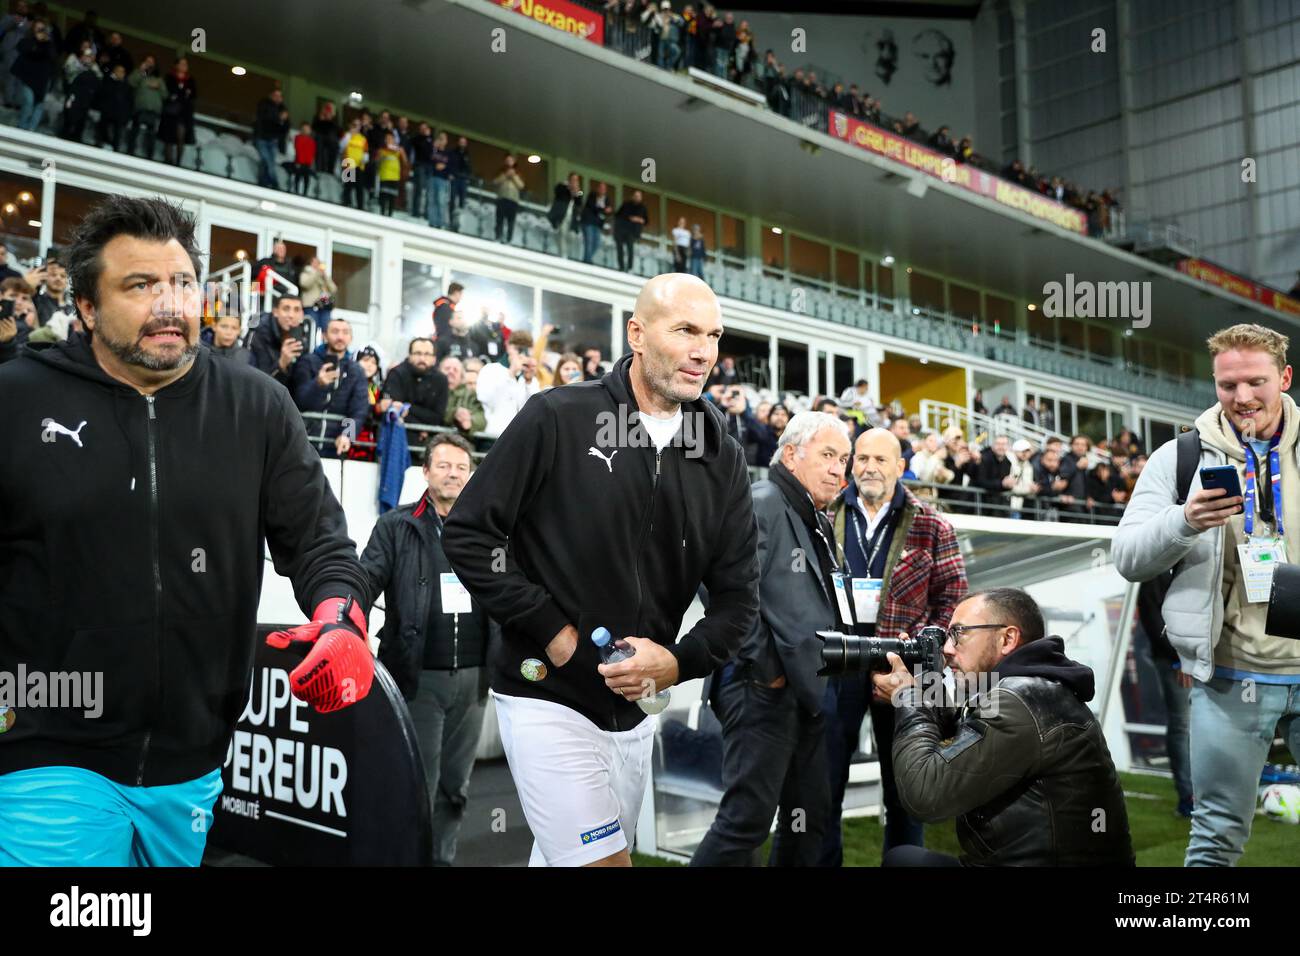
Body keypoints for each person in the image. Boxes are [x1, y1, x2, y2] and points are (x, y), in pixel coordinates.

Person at [0, 195, 374, 866]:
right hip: (45, 748)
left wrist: (342, 616)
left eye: (180, 283)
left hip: (194, 760)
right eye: (140, 286)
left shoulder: (257, 405)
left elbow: (318, 538)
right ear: (86, 307)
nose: (168, 304)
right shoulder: (16, 399)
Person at [443, 272, 759, 867]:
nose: (703, 352)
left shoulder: (723, 457)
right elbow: (468, 532)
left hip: (638, 706)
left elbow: (740, 600)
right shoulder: (557, 417)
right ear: (637, 334)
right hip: (547, 694)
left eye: (713, 335)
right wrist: (552, 630)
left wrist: (677, 662)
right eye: (686, 330)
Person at [1114, 323, 1300, 866]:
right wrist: (1184, 521)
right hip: (1228, 676)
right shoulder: (1180, 459)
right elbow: (1127, 557)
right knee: (1215, 836)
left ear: (1284, 377)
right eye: (1227, 385)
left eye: (1255, 382)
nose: (1242, 397)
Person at [692, 412, 851, 866]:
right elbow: (718, 583)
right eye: (827, 455)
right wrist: (765, 667)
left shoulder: (813, 516)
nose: (838, 468)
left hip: (807, 691)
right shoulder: (762, 499)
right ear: (790, 454)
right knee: (745, 822)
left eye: (844, 458)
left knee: (808, 819)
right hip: (761, 688)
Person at [880, 589, 1134, 867]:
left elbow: (926, 795)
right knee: (905, 859)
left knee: (903, 861)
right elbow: (966, 741)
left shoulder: (1017, 701)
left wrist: (907, 697)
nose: (947, 649)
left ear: (1007, 638)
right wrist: (923, 682)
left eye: (958, 634)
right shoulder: (1033, 689)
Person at [821, 428, 967, 866]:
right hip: (837, 666)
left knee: (906, 788)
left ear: (900, 467)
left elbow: (952, 600)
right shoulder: (824, 517)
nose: (869, 467)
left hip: (902, 672)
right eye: (861, 458)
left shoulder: (932, 523)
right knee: (824, 783)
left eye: (880, 460)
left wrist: (925, 648)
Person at [360, 433, 494, 865]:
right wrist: (348, 617)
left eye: (461, 467)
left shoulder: (490, 532)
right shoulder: (396, 526)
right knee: (417, 784)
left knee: (455, 787)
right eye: (444, 466)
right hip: (418, 680)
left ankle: (441, 860)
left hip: (474, 682)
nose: (453, 474)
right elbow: (365, 580)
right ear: (425, 472)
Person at [1137, 572, 1193, 818]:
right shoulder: (1154, 572)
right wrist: (1180, 658)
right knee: (1182, 725)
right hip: (1175, 662)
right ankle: (1188, 797)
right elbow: (1153, 621)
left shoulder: (1196, 561)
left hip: (1207, 658)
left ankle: (1215, 792)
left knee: (1208, 724)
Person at [292, 317, 369, 459]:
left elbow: (358, 410)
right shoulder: (308, 361)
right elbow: (298, 400)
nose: (340, 336)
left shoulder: (356, 370)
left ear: (351, 338)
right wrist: (317, 384)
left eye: (345, 332)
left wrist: (347, 435)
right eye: (335, 331)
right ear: (325, 336)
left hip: (335, 447)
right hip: (302, 442)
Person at [475, 329, 540, 438]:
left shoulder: (529, 379)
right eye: (517, 349)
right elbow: (486, 399)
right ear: (508, 347)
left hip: (519, 438)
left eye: (525, 350)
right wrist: (511, 373)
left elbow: (534, 409)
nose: (521, 354)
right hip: (494, 436)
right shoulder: (491, 370)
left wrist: (529, 381)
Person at [382, 336, 450, 433]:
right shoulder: (396, 374)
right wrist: (421, 429)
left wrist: (408, 408)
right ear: (409, 356)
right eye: (418, 353)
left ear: (434, 358)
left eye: (427, 354)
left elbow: (437, 417)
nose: (422, 358)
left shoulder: (441, 379)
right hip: (398, 431)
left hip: (430, 434)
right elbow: (394, 410)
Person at [247, 292, 307, 386]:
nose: (291, 315)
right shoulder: (259, 334)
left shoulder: (304, 336)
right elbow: (257, 382)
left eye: (296, 310)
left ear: (302, 314)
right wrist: (281, 364)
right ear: (275, 312)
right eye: (286, 309)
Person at [11, 17, 57, 131]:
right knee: (28, 101)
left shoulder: (49, 43)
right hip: (28, 77)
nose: (40, 31)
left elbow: (53, 57)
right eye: (38, 29)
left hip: (43, 78)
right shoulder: (28, 39)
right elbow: (21, 48)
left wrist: (47, 42)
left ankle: (31, 130)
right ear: (33, 29)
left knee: (39, 105)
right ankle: (21, 128)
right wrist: (35, 40)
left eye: (42, 29)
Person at [158, 57, 196, 167]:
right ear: (176, 65)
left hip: (184, 113)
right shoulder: (169, 77)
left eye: (186, 64)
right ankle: (168, 160)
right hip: (171, 112)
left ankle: (178, 162)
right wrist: (183, 92)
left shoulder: (190, 79)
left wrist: (181, 93)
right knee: (168, 136)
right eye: (182, 64)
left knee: (181, 136)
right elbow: (168, 92)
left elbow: (193, 94)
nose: (184, 66)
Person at [126, 55, 163, 159]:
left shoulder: (158, 79)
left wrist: (158, 87)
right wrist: (140, 71)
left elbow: (165, 94)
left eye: (151, 62)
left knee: (151, 134)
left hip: (153, 110)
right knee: (135, 130)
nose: (149, 64)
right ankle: (130, 151)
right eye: (147, 61)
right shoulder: (140, 74)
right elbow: (131, 82)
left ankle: (149, 155)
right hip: (140, 107)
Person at [253, 88, 289, 190]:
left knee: (268, 162)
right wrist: (279, 118)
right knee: (267, 160)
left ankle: (262, 182)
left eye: (280, 96)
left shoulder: (283, 109)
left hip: (273, 140)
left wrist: (283, 121)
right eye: (276, 95)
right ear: (271, 96)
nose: (278, 98)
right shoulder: (264, 104)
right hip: (262, 138)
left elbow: (285, 127)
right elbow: (266, 119)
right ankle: (274, 183)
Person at [440, 355, 485, 437]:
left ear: (461, 376)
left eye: (455, 370)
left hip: (462, 440)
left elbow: (481, 417)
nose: (451, 371)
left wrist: (470, 420)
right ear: (439, 371)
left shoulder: (470, 395)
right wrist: (454, 414)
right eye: (447, 368)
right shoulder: (433, 390)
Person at [298, 256, 337, 335]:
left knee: (326, 329)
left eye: (318, 262)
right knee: (312, 328)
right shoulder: (306, 273)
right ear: (310, 263)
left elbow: (333, 289)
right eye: (315, 262)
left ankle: (324, 345)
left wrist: (325, 277)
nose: (317, 264)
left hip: (324, 306)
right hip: (310, 306)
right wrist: (316, 274)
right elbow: (305, 284)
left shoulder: (323, 276)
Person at [548, 173, 583, 259]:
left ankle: (566, 254)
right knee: (562, 233)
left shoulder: (579, 191)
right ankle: (563, 255)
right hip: (562, 215)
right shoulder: (562, 186)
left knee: (572, 236)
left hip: (571, 217)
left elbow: (579, 203)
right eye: (573, 179)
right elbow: (557, 192)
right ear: (569, 179)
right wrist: (569, 188)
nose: (575, 181)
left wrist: (576, 192)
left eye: (576, 180)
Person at [613, 189, 649, 273]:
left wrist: (639, 220)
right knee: (620, 248)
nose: (637, 198)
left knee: (630, 249)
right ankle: (621, 266)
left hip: (632, 232)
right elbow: (618, 215)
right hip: (621, 229)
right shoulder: (626, 204)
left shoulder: (643, 208)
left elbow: (646, 221)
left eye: (639, 196)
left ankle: (630, 267)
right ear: (633, 196)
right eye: (636, 196)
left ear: (641, 198)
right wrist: (631, 218)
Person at [492, 155, 525, 244]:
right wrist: (506, 175)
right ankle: (498, 237)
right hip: (502, 198)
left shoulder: (518, 173)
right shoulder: (501, 171)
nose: (509, 162)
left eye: (511, 160)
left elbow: (521, 186)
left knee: (511, 221)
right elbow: (495, 182)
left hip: (513, 200)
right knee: (499, 219)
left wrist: (513, 176)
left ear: (514, 162)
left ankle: (509, 239)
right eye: (507, 160)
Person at [375, 130, 408, 217]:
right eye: (387, 139)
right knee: (384, 196)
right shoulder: (382, 149)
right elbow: (377, 161)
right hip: (384, 175)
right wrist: (381, 155)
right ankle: (382, 214)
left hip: (395, 176)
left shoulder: (398, 150)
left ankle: (390, 215)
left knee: (392, 197)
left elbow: (405, 162)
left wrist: (402, 152)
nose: (389, 140)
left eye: (390, 138)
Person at [581, 181, 612, 263]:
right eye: (601, 188)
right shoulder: (592, 195)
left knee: (597, 243)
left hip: (598, 224)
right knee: (589, 241)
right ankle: (587, 260)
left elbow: (609, 212)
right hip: (588, 222)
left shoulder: (606, 199)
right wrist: (603, 210)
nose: (602, 190)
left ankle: (587, 259)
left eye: (604, 189)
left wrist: (606, 211)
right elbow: (592, 207)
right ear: (598, 189)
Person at [291, 122, 316, 196]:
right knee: (297, 177)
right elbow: (298, 149)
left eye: (307, 129)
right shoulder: (298, 138)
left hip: (307, 163)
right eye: (304, 129)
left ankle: (305, 193)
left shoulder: (312, 141)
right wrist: (298, 161)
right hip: (299, 162)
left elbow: (312, 152)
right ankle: (296, 191)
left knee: (306, 179)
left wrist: (311, 162)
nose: (306, 131)